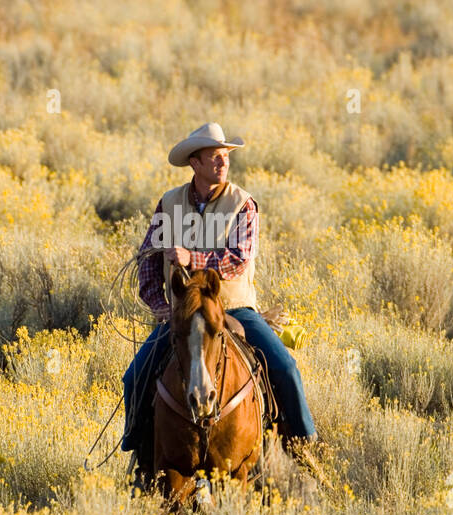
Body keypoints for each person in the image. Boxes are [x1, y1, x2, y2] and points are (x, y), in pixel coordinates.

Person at [121, 122, 324, 484]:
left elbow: (239, 259)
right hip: (184, 317)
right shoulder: (169, 203)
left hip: (234, 309)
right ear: (194, 163)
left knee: (285, 368)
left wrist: (191, 259)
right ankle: (141, 456)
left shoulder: (242, 203)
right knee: (134, 376)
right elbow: (148, 261)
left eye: (225, 156)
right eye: (214, 157)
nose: (222, 163)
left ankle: (303, 443)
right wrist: (163, 308)